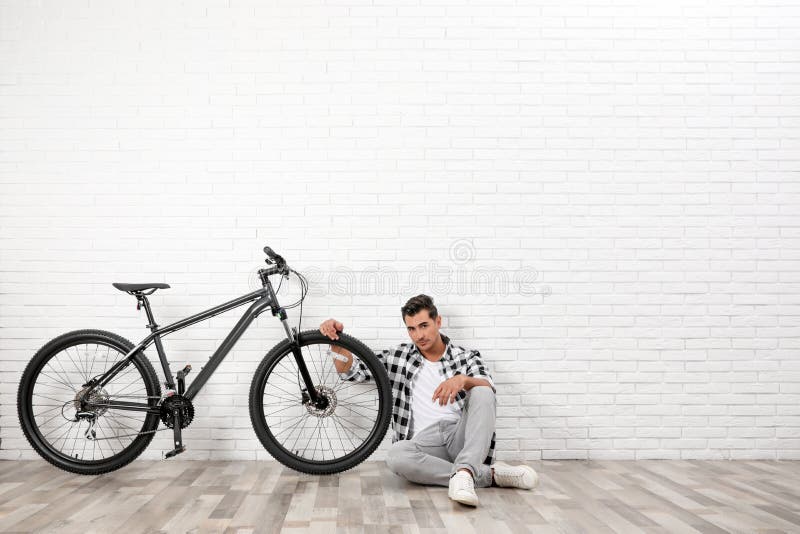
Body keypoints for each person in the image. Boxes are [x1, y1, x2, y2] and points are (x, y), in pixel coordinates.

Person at [320, 294, 539, 507]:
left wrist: (463, 380)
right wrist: (336, 343)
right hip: (424, 444)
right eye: (411, 329)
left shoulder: (466, 357)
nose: (418, 335)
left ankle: (465, 471)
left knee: (483, 391)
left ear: (438, 321)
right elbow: (351, 371)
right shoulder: (398, 357)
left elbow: (487, 388)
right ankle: (484, 475)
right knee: (396, 456)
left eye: (424, 326)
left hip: (460, 436)